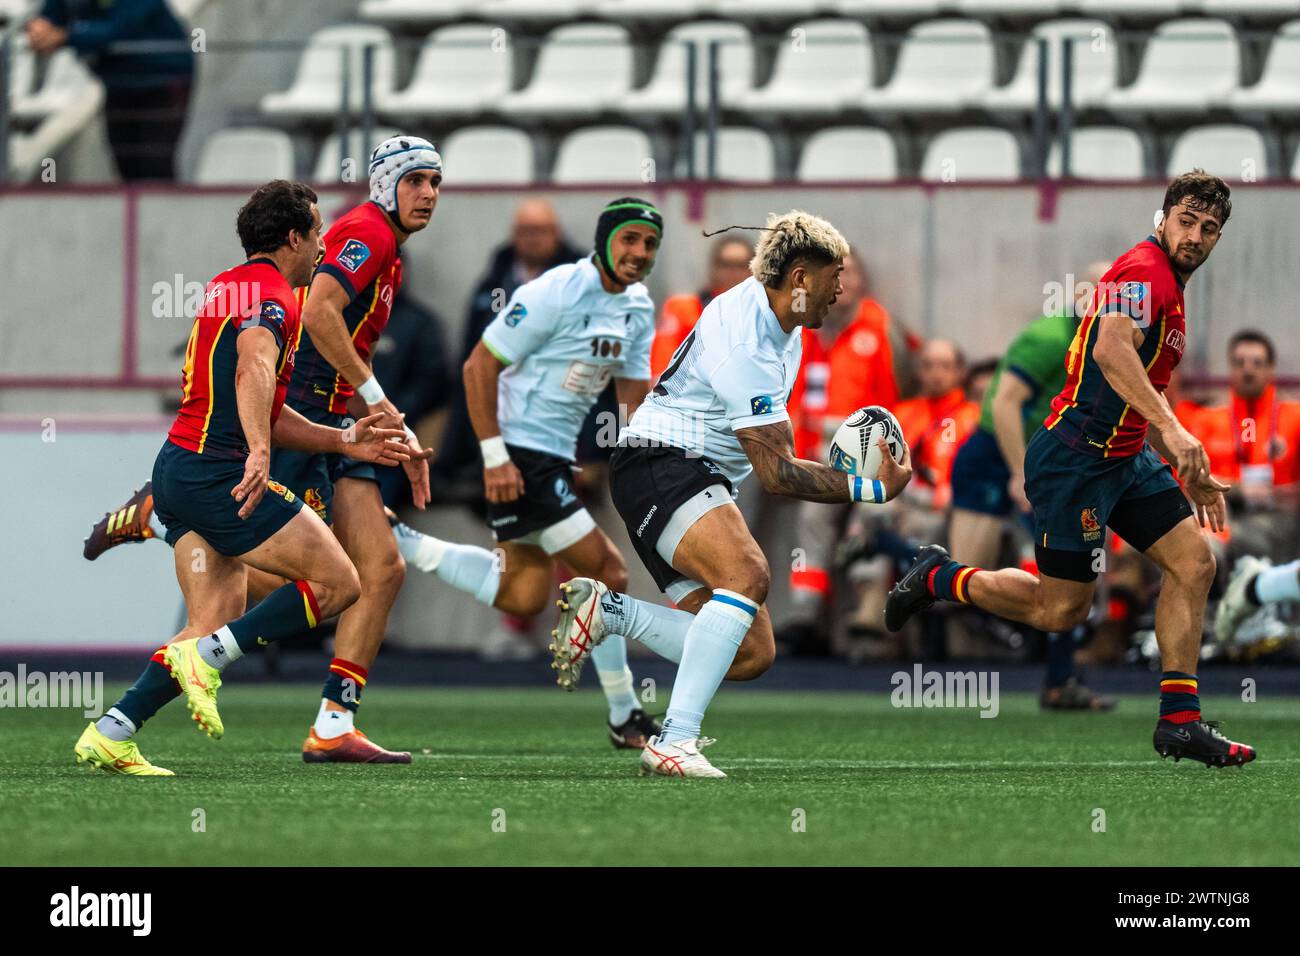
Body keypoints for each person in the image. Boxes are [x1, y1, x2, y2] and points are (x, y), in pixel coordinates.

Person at [82, 136, 443, 764]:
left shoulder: (226, 284)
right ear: (296, 239)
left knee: (220, 609)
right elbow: (256, 368)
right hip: (221, 470)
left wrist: (345, 437)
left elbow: (259, 393)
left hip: (186, 462)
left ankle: (111, 731)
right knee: (337, 582)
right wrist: (258, 449)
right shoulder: (292, 287)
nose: (328, 246)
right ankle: (211, 644)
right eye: (418, 181)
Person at [887, 170, 1256, 769]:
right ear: (1162, 218)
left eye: (1208, 228)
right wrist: (1176, 432)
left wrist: (1173, 457)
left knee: (1194, 563)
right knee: (1061, 612)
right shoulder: (1145, 271)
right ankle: (938, 577)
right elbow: (1112, 350)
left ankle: (1180, 723)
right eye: (1186, 221)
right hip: (1076, 461)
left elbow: (1135, 386)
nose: (1195, 235)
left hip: (1126, 457)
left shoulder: (1168, 281)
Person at [548, 211, 913, 778]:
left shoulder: (777, 318)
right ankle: (673, 739)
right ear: (798, 278)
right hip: (663, 465)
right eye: (832, 276)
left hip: (677, 473)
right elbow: (778, 475)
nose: (840, 289)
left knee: (750, 653)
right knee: (748, 576)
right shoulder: (748, 343)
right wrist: (871, 487)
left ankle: (610, 612)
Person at [389, 198, 665, 749]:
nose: (639, 253)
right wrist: (494, 456)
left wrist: (648, 448)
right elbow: (478, 366)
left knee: (523, 594)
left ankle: (400, 540)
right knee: (608, 575)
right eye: (629, 239)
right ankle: (624, 712)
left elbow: (633, 394)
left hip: (553, 454)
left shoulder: (637, 306)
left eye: (650, 244)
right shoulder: (555, 290)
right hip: (521, 452)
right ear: (605, 239)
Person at [947, 263, 1115, 710]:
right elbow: (1003, 404)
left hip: (1044, 458)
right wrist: (1020, 472)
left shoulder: (1110, 341)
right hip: (992, 455)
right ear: (1080, 296)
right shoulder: (1049, 338)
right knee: (966, 569)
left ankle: (1060, 682)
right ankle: (885, 545)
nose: (1107, 298)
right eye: (1097, 290)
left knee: (1071, 564)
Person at [777, 249, 906, 651]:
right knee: (812, 526)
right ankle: (805, 618)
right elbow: (791, 391)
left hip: (874, 449)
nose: (842, 282)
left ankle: (870, 618)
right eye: (835, 274)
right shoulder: (805, 328)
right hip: (816, 449)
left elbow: (901, 391)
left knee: (869, 524)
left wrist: (890, 449)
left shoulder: (881, 328)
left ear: (863, 281)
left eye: (849, 274)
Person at [437, 199, 585, 485]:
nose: (533, 239)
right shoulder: (493, 284)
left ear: (557, 233)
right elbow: (471, 357)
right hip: (500, 400)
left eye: (541, 230)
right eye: (526, 231)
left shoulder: (576, 283)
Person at [26, 0, 194, 180]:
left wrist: (65, 36)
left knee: (154, 164)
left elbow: (119, 28)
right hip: (117, 84)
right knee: (126, 166)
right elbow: (50, 18)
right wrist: (41, 30)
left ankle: (166, 208)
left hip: (163, 81)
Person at [1194, 330, 1300, 561]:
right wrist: (1239, 489)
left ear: (1271, 369)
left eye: (1257, 363)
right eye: (1240, 363)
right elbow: (1194, 479)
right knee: (1202, 518)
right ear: (1231, 368)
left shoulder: (1294, 417)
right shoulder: (1207, 418)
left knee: (1211, 536)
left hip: (1277, 516)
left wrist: (1286, 492)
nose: (1248, 370)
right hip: (1225, 508)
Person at [650, 235, 755, 380]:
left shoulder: (767, 319)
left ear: (754, 270)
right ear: (714, 268)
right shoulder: (682, 310)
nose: (733, 272)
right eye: (726, 264)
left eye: (741, 265)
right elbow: (661, 369)